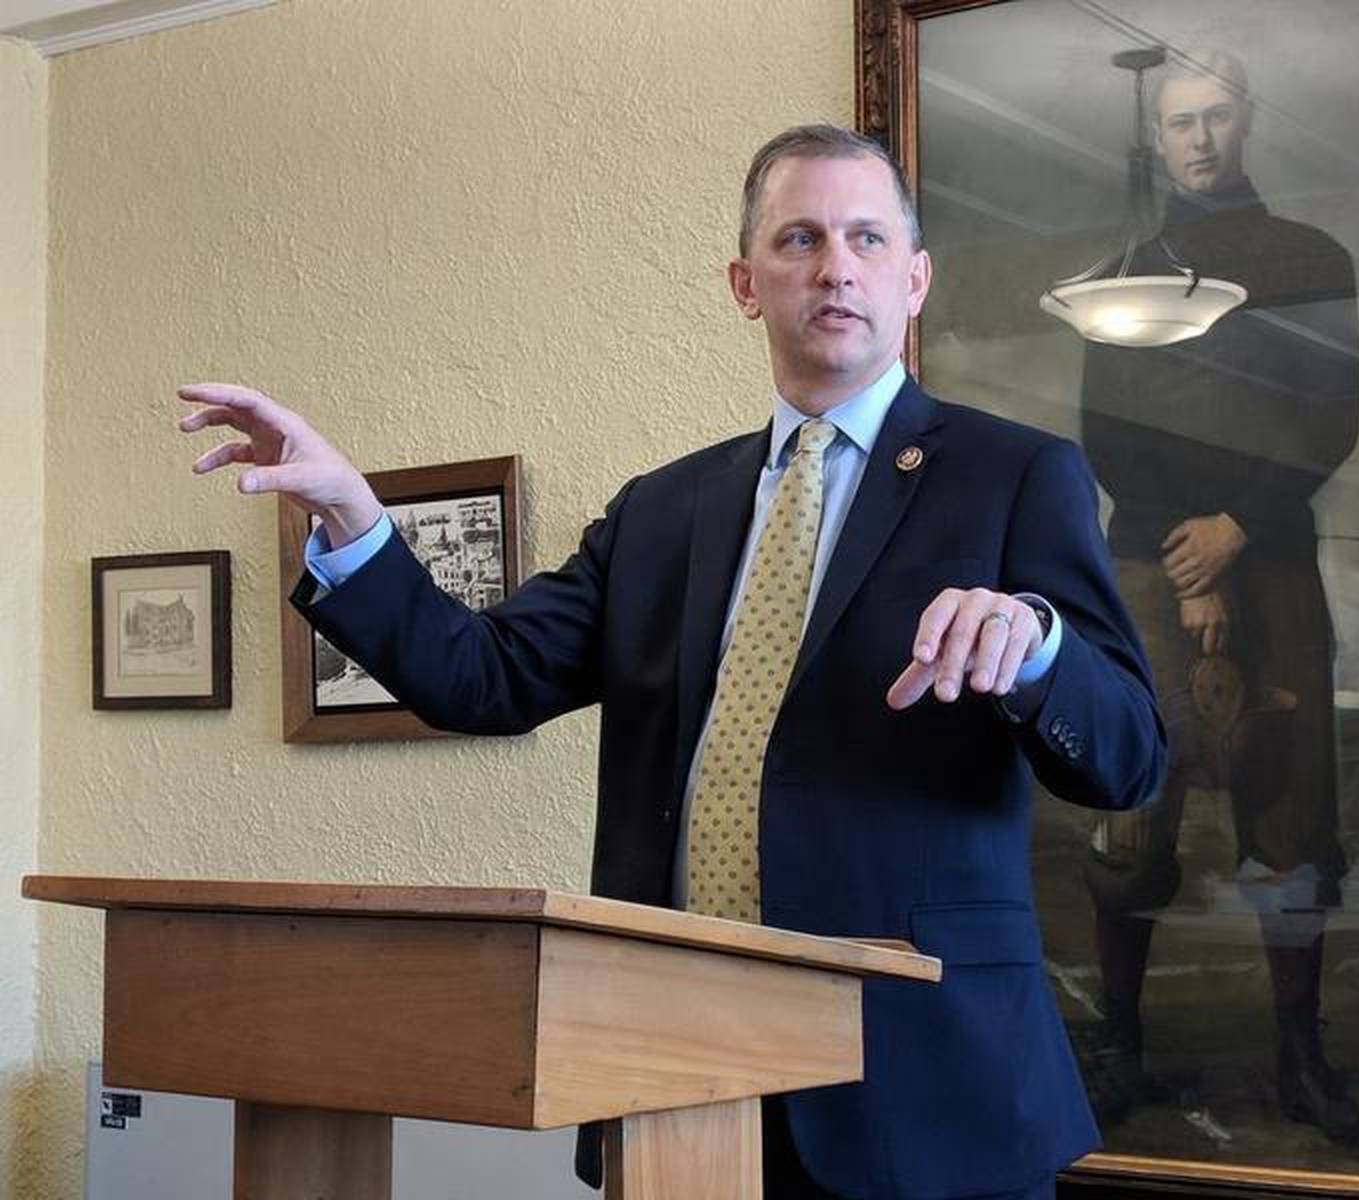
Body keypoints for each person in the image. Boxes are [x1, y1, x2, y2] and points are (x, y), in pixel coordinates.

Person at [181, 124, 1166, 1199]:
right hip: (674, 1070)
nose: (836, 265)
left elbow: (1125, 760)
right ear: (747, 284)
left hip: (923, 1081)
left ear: (913, 278)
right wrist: (354, 520)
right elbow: (485, 676)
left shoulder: (1016, 476)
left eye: (866, 238)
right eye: (800, 238)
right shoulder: (662, 510)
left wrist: (1037, 653)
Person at [1079, 52, 1359, 1147]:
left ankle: (1300, 1060)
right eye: (1178, 123)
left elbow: (1327, 411)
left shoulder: (1310, 259)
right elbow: (1105, 434)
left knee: (1290, 823)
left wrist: (1237, 528)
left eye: (1214, 118)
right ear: (1156, 138)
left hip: (1276, 564)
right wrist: (1183, 555)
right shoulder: (1121, 269)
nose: (1197, 139)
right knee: (1130, 826)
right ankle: (1119, 1052)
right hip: (1143, 576)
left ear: (1244, 120)